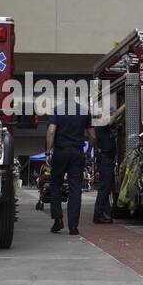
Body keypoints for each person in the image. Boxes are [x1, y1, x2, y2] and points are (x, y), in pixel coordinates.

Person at [46, 91, 91, 235]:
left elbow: (51, 131)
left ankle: (58, 219)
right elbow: (93, 135)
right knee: (75, 188)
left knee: (55, 185)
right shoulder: (84, 111)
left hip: (61, 151)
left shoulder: (57, 110)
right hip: (77, 152)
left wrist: (48, 151)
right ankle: (73, 226)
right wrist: (88, 151)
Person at [91, 103, 125, 224]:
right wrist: (126, 105)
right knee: (104, 188)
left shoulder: (104, 126)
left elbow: (117, 118)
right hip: (105, 160)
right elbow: (116, 115)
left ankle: (104, 213)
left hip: (106, 160)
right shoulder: (102, 124)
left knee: (107, 188)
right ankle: (98, 215)